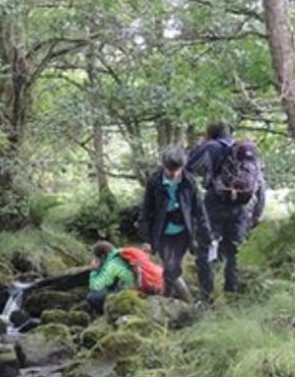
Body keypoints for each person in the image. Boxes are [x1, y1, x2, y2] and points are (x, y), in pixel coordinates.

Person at [190, 127, 267, 299]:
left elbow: (188, 168)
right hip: (240, 207)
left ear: (211, 134)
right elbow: (260, 183)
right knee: (235, 249)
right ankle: (232, 293)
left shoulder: (211, 147)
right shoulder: (246, 150)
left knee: (207, 246)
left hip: (214, 203)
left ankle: (205, 295)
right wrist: (257, 213)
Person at [138, 147, 204, 303]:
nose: (173, 173)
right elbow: (146, 211)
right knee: (171, 269)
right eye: (169, 169)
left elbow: (199, 210)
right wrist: (146, 238)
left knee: (170, 269)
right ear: (162, 165)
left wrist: (206, 234)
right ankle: (190, 303)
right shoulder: (154, 182)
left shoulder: (189, 181)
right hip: (162, 233)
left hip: (184, 232)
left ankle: (165, 298)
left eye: (177, 169)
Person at [87, 241, 136, 315]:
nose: (94, 260)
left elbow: (97, 286)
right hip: (130, 289)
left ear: (102, 256)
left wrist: (94, 271)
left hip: (129, 294)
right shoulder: (117, 257)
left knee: (92, 297)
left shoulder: (112, 264)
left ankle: (107, 315)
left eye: (96, 258)